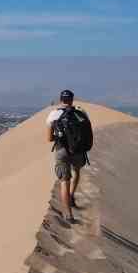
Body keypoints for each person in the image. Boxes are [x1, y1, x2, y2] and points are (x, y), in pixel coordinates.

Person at [45, 89, 92, 223]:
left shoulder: (53, 114)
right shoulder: (81, 112)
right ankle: (71, 196)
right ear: (72, 100)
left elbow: (49, 138)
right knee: (76, 171)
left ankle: (69, 215)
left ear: (61, 100)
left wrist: (60, 135)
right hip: (78, 150)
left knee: (64, 182)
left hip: (62, 151)